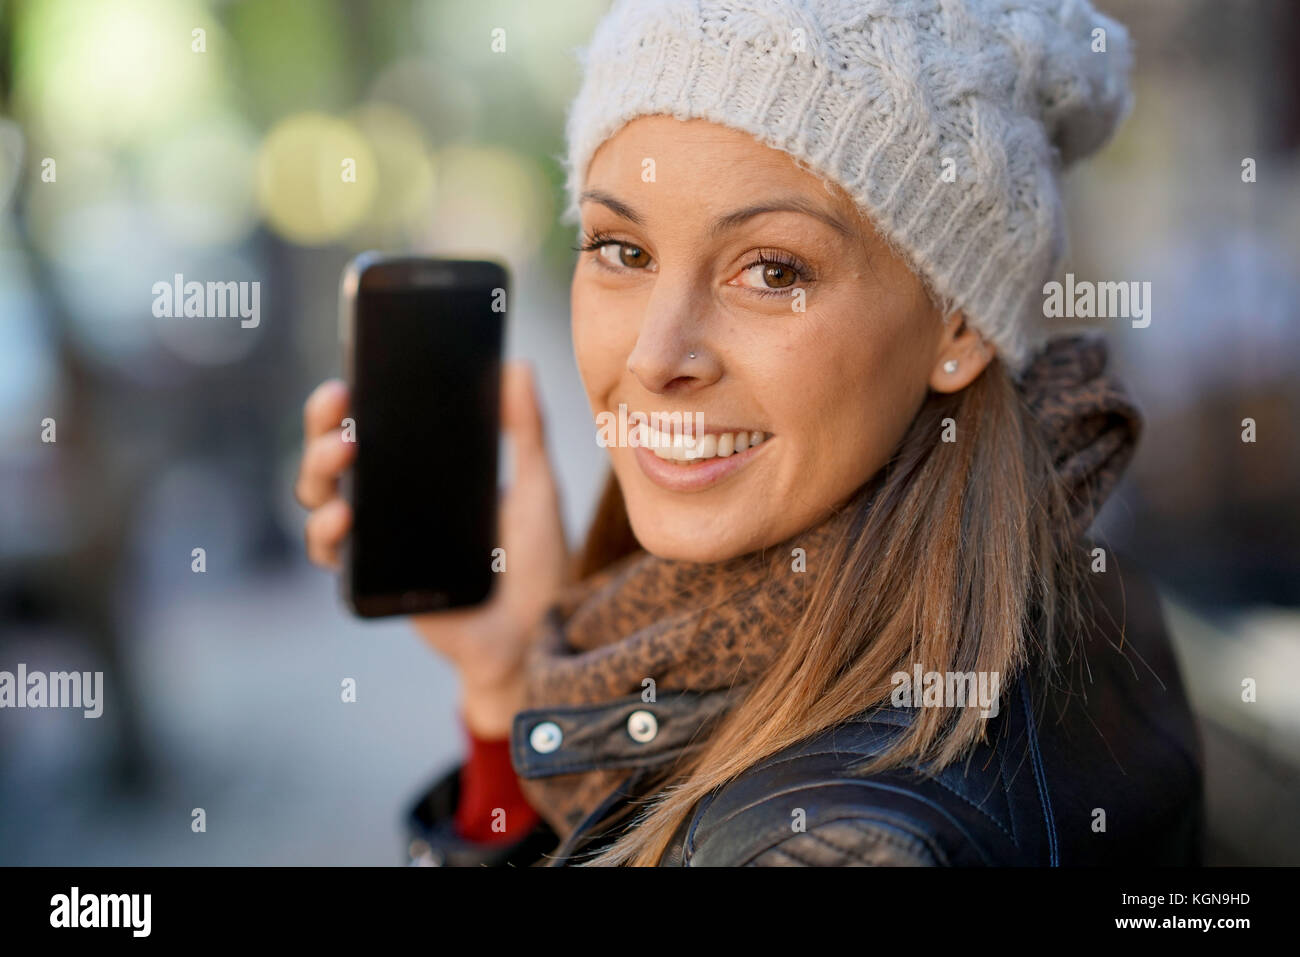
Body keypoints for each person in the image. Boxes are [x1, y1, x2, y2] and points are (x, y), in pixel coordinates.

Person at [295, 0, 1203, 866]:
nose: (658, 355)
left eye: (772, 269)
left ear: (959, 324)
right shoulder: (1081, 581)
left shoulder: (828, 844)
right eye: (623, 250)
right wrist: (504, 679)